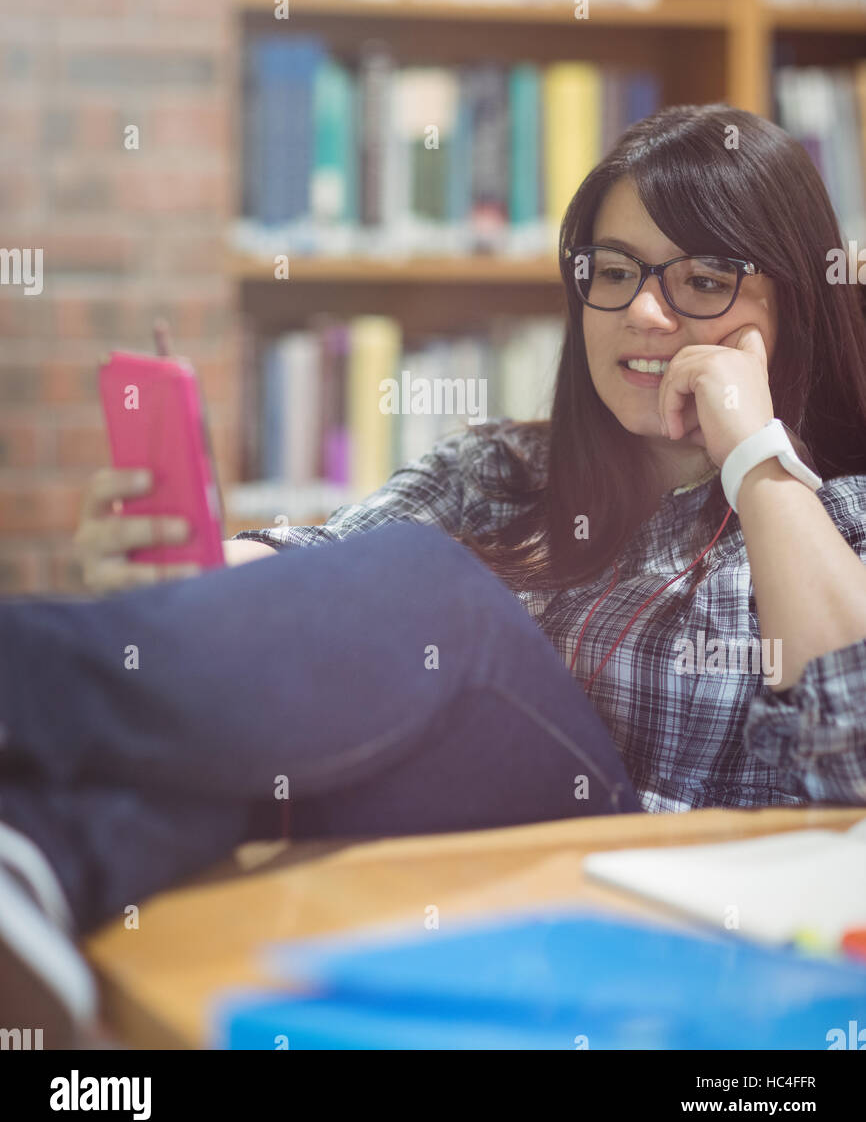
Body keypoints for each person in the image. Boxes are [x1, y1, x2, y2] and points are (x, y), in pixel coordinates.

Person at [2, 102, 866, 1047]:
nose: (644, 313)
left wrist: (754, 455)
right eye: (614, 273)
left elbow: (851, 761)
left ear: (794, 303)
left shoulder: (835, 517)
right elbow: (322, 576)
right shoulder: (504, 471)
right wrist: (178, 581)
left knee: (438, 595)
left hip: (663, 918)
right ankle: (31, 863)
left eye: (703, 281)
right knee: (275, 718)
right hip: (443, 889)